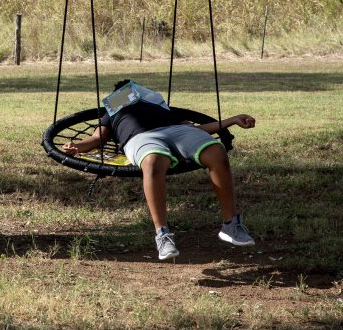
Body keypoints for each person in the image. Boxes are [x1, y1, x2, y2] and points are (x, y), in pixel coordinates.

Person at [61, 81, 256, 260]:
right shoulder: (112, 111)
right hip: (140, 138)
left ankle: (231, 225)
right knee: (153, 162)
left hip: (176, 131)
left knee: (216, 152)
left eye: (134, 88)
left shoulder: (160, 107)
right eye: (125, 90)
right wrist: (77, 147)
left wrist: (232, 120)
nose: (132, 91)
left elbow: (197, 129)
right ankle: (163, 235)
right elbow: (97, 139)